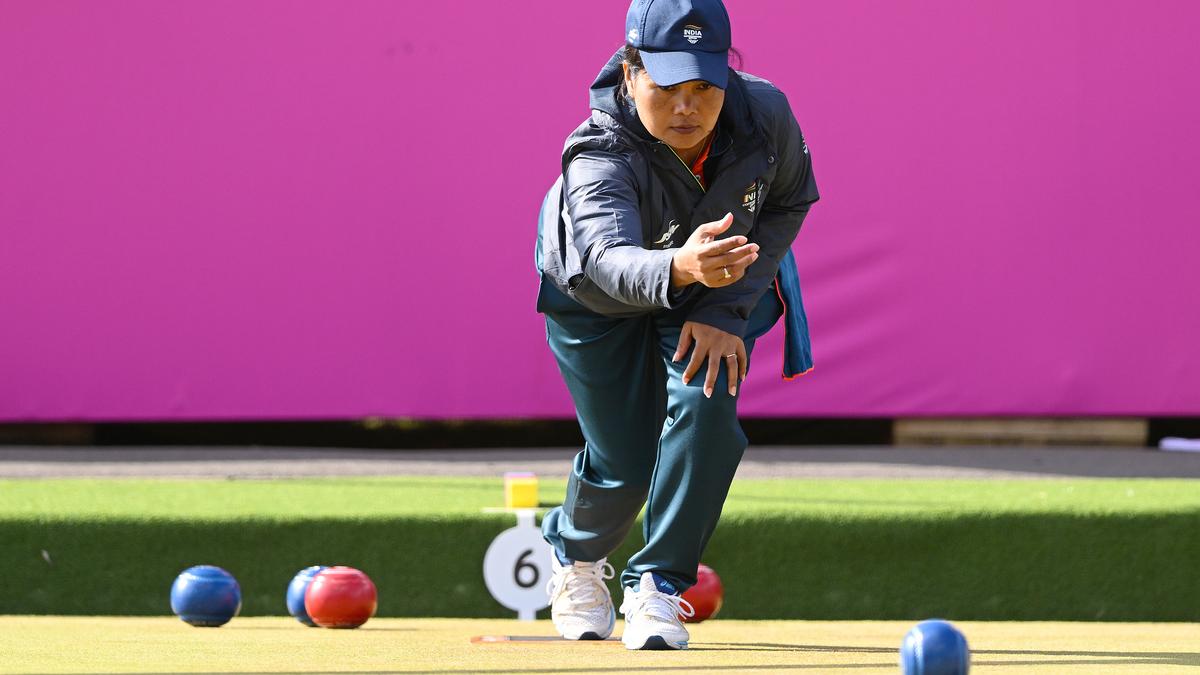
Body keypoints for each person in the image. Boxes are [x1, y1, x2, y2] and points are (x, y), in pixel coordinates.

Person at [534, 0, 819, 650]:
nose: (686, 107)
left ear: (727, 74)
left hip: (710, 284)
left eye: (703, 87)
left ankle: (657, 586)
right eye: (666, 87)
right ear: (629, 74)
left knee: (707, 408)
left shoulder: (764, 113)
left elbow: (788, 201)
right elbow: (608, 260)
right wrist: (683, 267)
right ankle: (576, 558)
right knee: (624, 460)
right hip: (597, 298)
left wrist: (724, 309)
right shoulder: (596, 149)